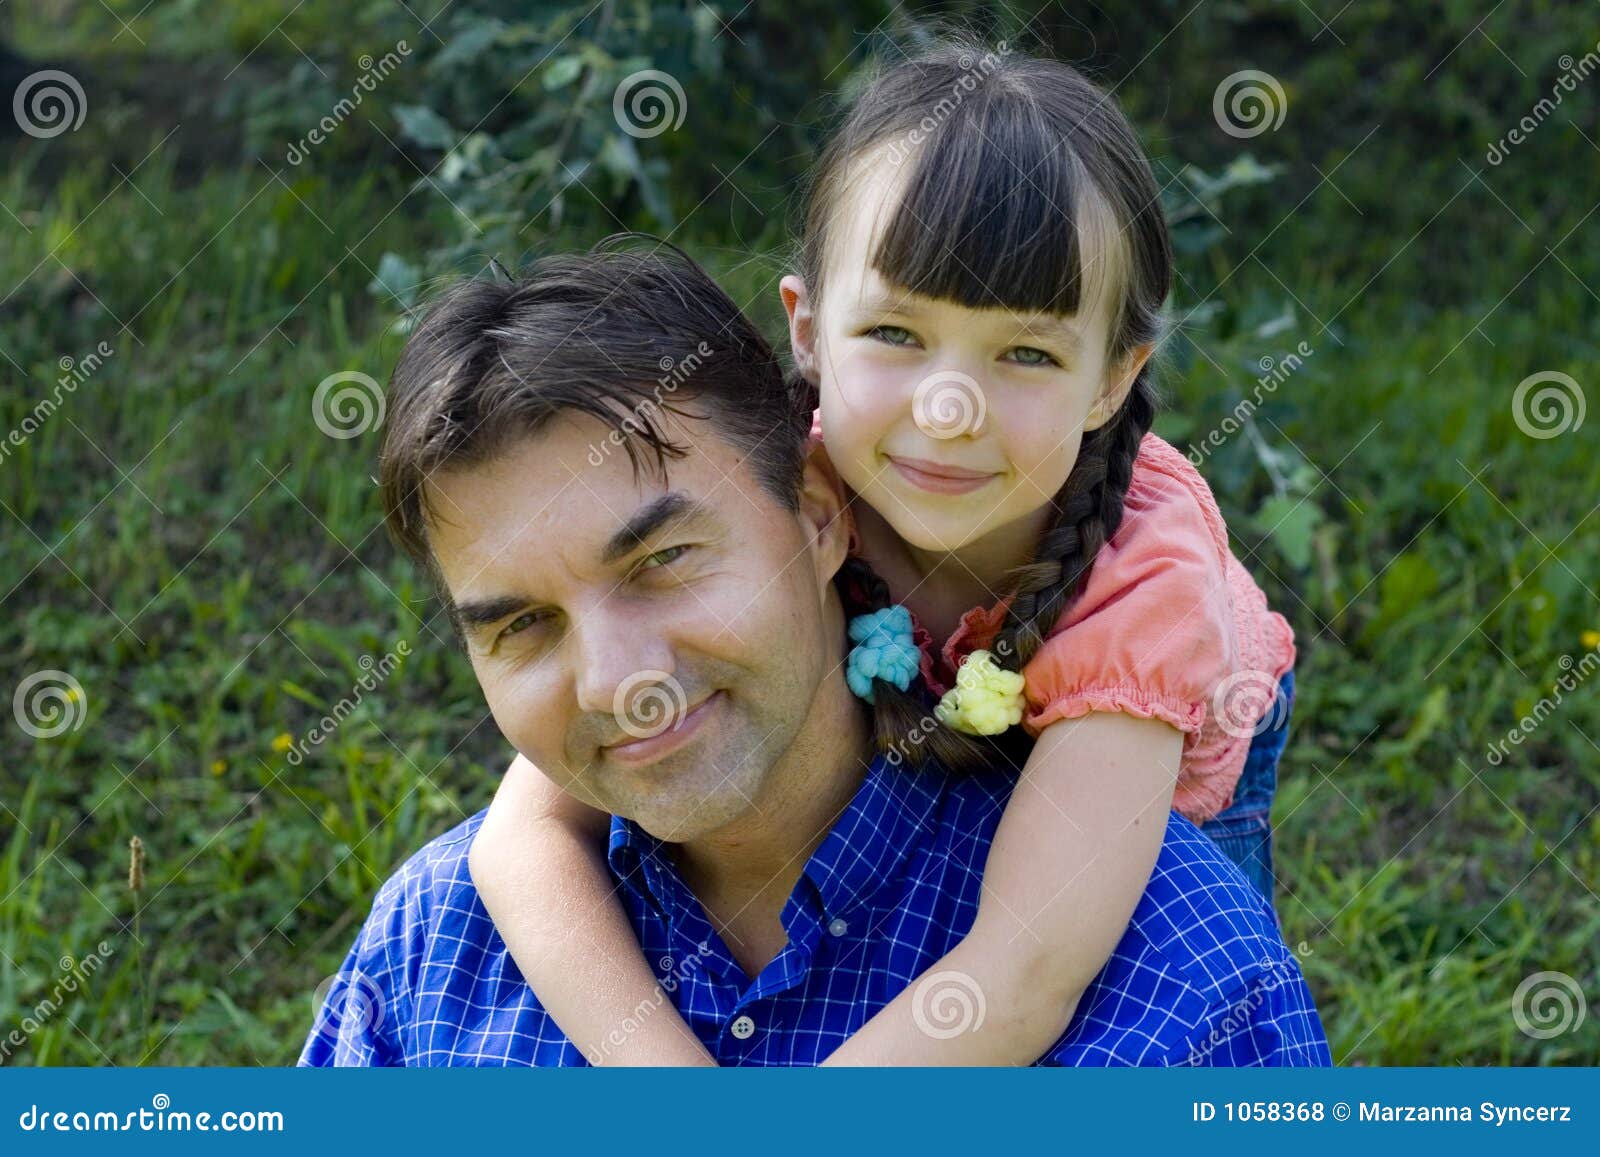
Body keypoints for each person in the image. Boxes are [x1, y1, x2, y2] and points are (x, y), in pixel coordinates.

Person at [466, 36, 1298, 1067]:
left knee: (1157, 979)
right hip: (921, 709)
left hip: (1166, 739)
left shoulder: (1143, 588)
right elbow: (519, 839)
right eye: (896, 335)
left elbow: (1021, 969)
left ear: (1112, 378)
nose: (946, 411)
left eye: (1026, 352)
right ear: (805, 327)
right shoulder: (778, 490)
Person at [299, 239, 1330, 1066]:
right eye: (521, 623)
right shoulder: (431, 956)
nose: (623, 683)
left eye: (662, 560)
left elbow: (1024, 973)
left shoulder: (1178, 992)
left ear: (820, 511)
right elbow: (516, 832)